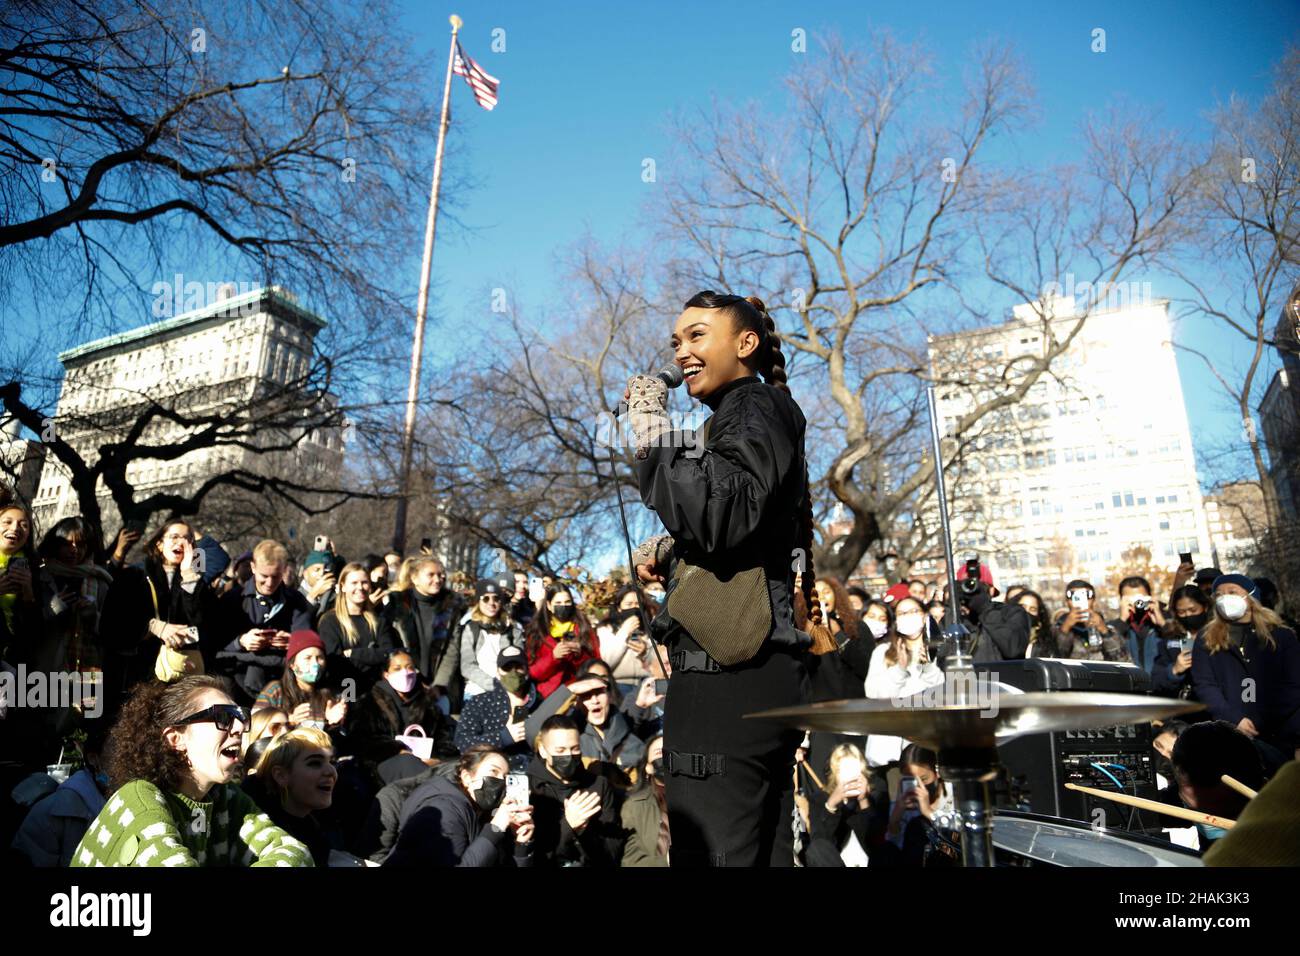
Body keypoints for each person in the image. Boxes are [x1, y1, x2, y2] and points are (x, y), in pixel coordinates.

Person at [629, 291, 818, 867]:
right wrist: (673, 549)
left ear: (745, 343)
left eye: (696, 335)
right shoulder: (748, 414)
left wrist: (653, 434)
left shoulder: (754, 407)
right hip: (751, 678)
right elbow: (745, 523)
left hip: (731, 680)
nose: (682, 351)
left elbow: (721, 513)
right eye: (676, 341)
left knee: (712, 852)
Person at [70, 675, 313, 866]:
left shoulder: (225, 797)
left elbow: (297, 854)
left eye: (240, 716)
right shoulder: (138, 800)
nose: (239, 727)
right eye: (223, 717)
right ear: (176, 739)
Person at [1190, 574, 1300, 768]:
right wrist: (1234, 719)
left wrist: (1261, 719)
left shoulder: (1281, 635)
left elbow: (1293, 684)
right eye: (1219, 594)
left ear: (1250, 597)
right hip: (1232, 733)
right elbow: (1205, 685)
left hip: (1281, 732)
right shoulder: (1206, 639)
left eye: (1232, 592)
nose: (1225, 598)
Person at [384, 745, 534, 867]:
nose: (500, 781)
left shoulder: (487, 815)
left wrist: (520, 845)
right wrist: (495, 828)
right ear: (467, 777)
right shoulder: (444, 809)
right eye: (493, 772)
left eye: (506, 777)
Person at [215, 539, 313, 704]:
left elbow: (308, 641)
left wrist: (294, 642)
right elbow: (215, 642)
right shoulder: (232, 599)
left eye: (275, 576)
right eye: (264, 576)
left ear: (284, 570)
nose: (269, 583)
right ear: (253, 567)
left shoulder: (296, 601)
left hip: (282, 678)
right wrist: (241, 641)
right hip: (237, 677)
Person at [527, 715, 623, 867]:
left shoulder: (598, 785)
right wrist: (568, 825)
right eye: (560, 750)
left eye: (575, 748)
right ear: (543, 751)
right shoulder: (530, 789)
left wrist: (584, 830)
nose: (569, 755)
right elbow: (535, 855)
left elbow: (612, 852)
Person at [10, 724, 111, 866]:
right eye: (114, 754)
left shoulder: (91, 793)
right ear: (93, 758)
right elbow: (74, 862)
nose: (122, 761)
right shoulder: (74, 805)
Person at [863, 596, 945, 767]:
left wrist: (929, 666)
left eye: (914, 611)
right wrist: (899, 669)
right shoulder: (883, 652)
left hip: (931, 744)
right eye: (902, 613)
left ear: (924, 615)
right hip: (891, 749)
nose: (908, 616)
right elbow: (874, 693)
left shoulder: (941, 649)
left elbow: (943, 692)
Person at [349, 650, 458, 776]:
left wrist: (436, 759)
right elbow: (362, 742)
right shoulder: (370, 703)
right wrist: (398, 750)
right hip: (386, 765)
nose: (405, 673)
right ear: (386, 674)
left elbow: (443, 740)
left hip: (427, 766)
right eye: (397, 668)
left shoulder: (427, 705)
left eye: (409, 667)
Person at [245, 726, 338, 866]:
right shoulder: (255, 834)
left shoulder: (315, 830)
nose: (331, 771)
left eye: (331, 761)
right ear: (281, 775)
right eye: (315, 763)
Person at [527, 671, 647, 778]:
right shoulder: (570, 739)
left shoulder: (634, 743)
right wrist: (570, 690)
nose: (595, 701)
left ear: (610, 696)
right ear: (576, 702)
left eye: (599, 693)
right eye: (586, 695)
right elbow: (533, 732)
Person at [35, 516, 113, 675]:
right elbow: (27, 626)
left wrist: (93, 617)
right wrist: (53, 609)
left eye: (81, 544)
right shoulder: (39, 577)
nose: (74, 549)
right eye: (67, 544)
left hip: (87, 671)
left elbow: (112, 632)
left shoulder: (100, 582)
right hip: (44, 671)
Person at [1170, 720, 1265, 851]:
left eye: (1228, 812)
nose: (1213, 822)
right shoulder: (1182, 791)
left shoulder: (1279, 808)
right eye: (1201, 811)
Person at [390, 556, 464, 714]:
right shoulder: (397, 604)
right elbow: (393, 645)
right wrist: (414, 679)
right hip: (405, 682)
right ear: (415, 578)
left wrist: (438, 686)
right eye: (431, 575)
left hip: (442, 688)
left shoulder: (453, 607)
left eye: (441, 574)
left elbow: (453, 649)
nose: (437, 579)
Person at [455, 645, 543, 772]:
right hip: (494, 775)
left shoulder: (539, 704)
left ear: (527, 670)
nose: (513, 672)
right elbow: (462, 743)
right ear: (498, 672)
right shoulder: (480, 703)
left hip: (533, 776)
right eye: (507, 667)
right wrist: (503, 737)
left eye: (518, 667)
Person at [317, 561, 397, 696]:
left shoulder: (378, 621)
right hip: (346, 691)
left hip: (376, 691)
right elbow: (335, 662)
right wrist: (372, 655)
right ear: (343, 586)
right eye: (354, 583)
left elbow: (388, 655)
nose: (360, 587)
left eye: (364, 582)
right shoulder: (330, 621)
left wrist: (352, 654)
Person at [804, 742, 888, 867]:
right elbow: (820, 842)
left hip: (865, 860)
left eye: (853, 769)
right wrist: (832, 804)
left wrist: (863, 800)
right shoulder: (819, 800)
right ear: (834, 773)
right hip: (835, 861)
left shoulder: (871, 799)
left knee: (887, 849)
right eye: (843, 770)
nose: (849, 776)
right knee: (817, 848)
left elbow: (875, 840)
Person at [254, 630, 348, 733]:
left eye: (319, 657)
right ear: (292, 665)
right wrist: (288, 721)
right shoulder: (275, 690)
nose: (315, 664)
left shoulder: (332, 695)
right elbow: (254, 726)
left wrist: (332, 723)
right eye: (308, 658)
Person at [880, 744, 959, 867]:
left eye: (924, 779)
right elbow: (894, 846)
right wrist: (895, 817)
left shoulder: (954, 797)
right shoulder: (903, 798)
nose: (918, 786)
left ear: (937, 772)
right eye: (910, 780)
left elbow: (957, 843)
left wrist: (928, 812)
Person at [525, 585, 600, 698]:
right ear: (549, 605)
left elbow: (596, 662)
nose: (563, 606)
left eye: (567, 602)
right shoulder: (538, 631)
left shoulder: (583, 627)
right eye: (558, 603)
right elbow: (533, 672)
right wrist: (554, 657)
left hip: (581, 690)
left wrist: (580, 654)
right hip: (550, 695)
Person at [459, 577, 524, 699]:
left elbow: (519, 663)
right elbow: (467, 666)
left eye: (496, 598)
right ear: (478, 601)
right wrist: (494, 685)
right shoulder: (470, 628)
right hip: (475, 692)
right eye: (486, 598)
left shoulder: (513, 629)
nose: (491, 603)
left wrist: (509, 685)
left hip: (509, 692)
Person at [1050, 579, 1130, 661]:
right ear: (1067, 602)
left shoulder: (1108, 628)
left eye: (1086, 597)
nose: (1080, 602)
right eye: (1076, 598)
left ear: (1094, 601)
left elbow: (1122, 660)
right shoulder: (1054, 630)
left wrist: (1105, 632)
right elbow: (1053, 659)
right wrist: (1065, 630)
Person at [621, 733, 669, 866]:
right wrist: (667, 861)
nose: (665, 757)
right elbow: (631, 861)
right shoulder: (633, 806)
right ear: (648, 767)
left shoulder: (695, 798)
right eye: (659, 753)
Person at [1151, 585, 1208, 698]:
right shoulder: (1170, 640)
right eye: (1182, 612)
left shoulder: (1218, 636)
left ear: (1205, 607)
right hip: (1181, 705)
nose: (1188, 615)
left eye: (1193, 610)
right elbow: (1156, 681)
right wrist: (1174, 670)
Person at [598, 584, 653, 696]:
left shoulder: (650, 628)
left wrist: (645, 652)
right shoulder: (606, 628)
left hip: (647, 683)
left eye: (637, 604)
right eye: (628, 604)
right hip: (619, 685)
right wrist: (624, 631)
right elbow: (607, 661)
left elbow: (658, 661)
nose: (633, 608)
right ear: (619, 607)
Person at [1112, 576, 1169, 676]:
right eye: (1131, 599)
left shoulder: (1164, 622)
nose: (1138, 603)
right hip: (1128, 686)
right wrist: (1121, 622)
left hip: (1159, 686)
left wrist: (1163, 625)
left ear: (1150, 597)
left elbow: (1178, 647)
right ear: (1121, 600)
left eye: (1141, 598)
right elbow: (1108, 650)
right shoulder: (1113, 628)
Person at [1015, 589, 1058, 659]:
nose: (1026, 612)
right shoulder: (1002, 637)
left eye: (1032, 609)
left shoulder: (1045, 643)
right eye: (1022, 607)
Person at [299, 549, 337, 623]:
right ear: (305, 574)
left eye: (326, 569)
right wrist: (313, 595)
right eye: (317, 570)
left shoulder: (336, 597)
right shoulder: (295, 597)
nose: (322, 573)